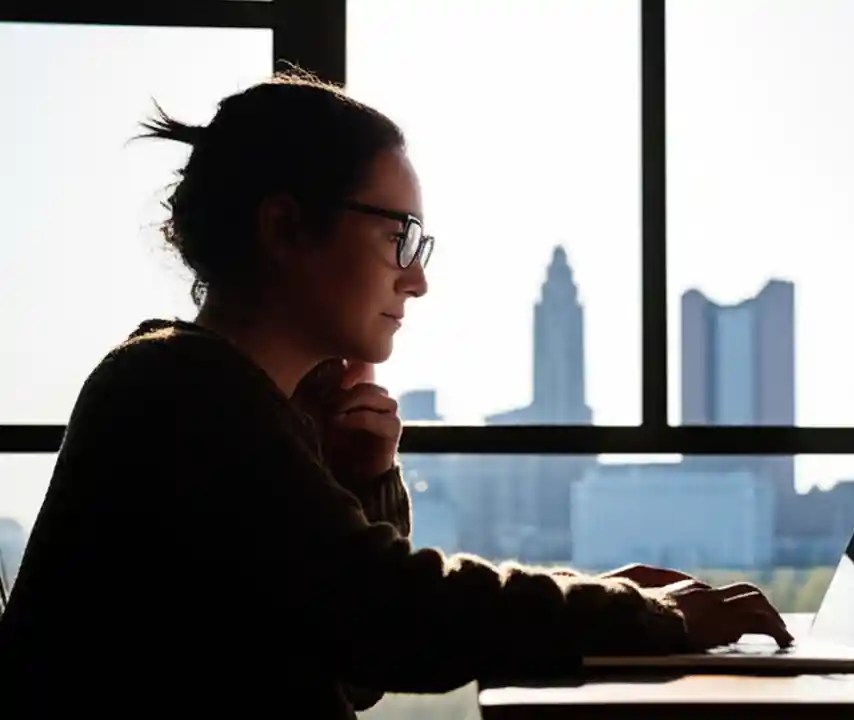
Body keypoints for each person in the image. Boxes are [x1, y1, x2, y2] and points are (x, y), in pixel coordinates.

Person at [0, 71, 791, 718]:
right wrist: (642, 613)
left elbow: (350, 669)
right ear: (284, 227)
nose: (416, 277)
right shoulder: (180, 389)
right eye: (397, 235)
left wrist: (357, 478)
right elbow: (388, 614)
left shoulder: (222, 397)